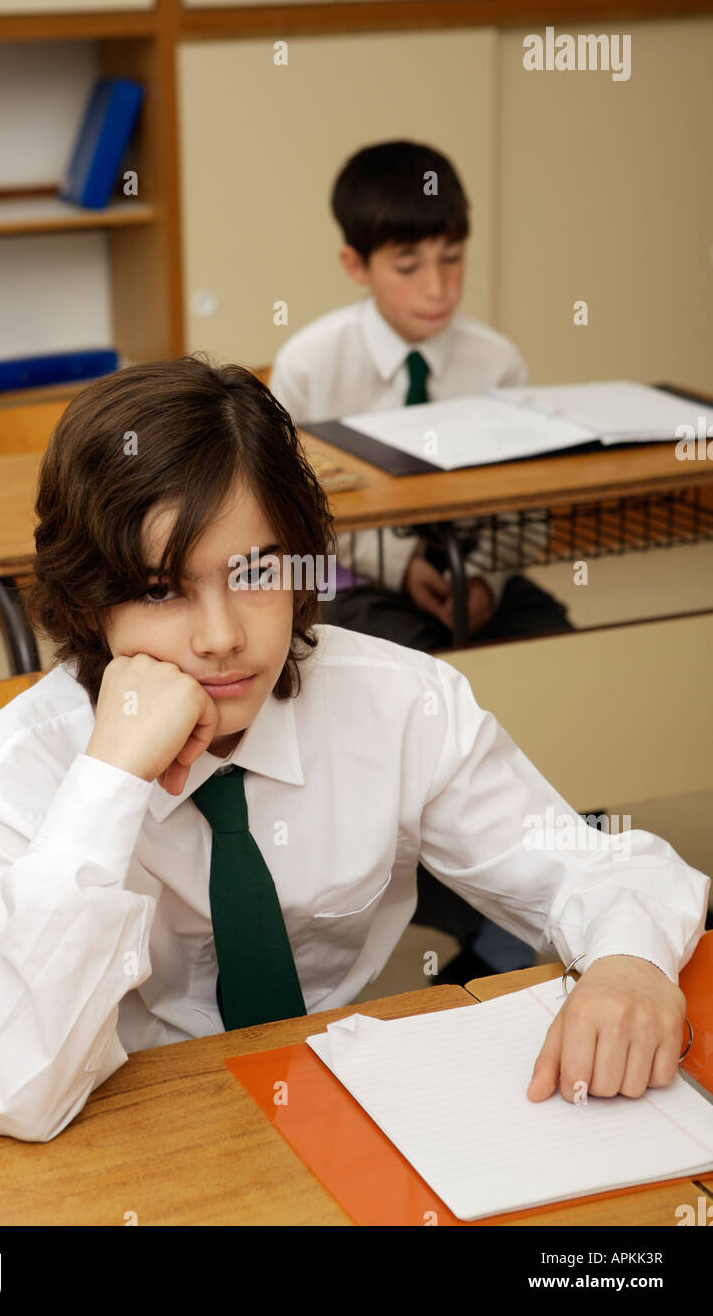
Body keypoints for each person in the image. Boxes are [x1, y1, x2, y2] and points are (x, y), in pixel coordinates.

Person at [0, 358, 707, 1143]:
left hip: (339, 1112)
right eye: (160, 590)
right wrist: (106, 786)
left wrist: (627, 960)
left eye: (256, 572)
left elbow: (597, 867)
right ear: (88, 604)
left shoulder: (398, 704)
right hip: (125, 1134)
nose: (222, 636)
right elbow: (14, 1091)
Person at [270, 139, 573, 978]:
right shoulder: (310, 364)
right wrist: (407, 569)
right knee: (399, 673)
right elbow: (296, 515)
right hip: (355, 582)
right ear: (354, 264)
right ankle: (477, 920)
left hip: (477, 572)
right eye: (409, 265)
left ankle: (565, 850)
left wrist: (486, 579)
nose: (437, 287)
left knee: (553, 640)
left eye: (451, 260)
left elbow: (523, 503)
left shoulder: (493, 360)